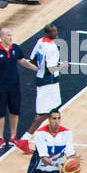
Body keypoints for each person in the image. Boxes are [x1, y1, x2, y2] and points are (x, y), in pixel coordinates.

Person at [17, 25, 63, 155]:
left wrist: (39, 71)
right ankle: (26, 139)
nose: (56, 33)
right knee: (44, 113)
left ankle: (50, 139)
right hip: (49, 82)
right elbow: (51, 68)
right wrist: (62, 67)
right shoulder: (52, 47)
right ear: (48, 33)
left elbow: (32, 60)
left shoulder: (40, 41)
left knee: (52, 111)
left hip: (41, 79)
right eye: (54, 31)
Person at [0, 29, 26, 150]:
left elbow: (22, 61)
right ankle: (0, 138)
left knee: (15, 112)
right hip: (1, 87)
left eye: (11, 35)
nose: (11, 37)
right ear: (2, 37)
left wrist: (36, 68)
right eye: (9, 35)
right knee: (1, 113)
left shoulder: (15, 48)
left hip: (14, 86)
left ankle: (13, 136)